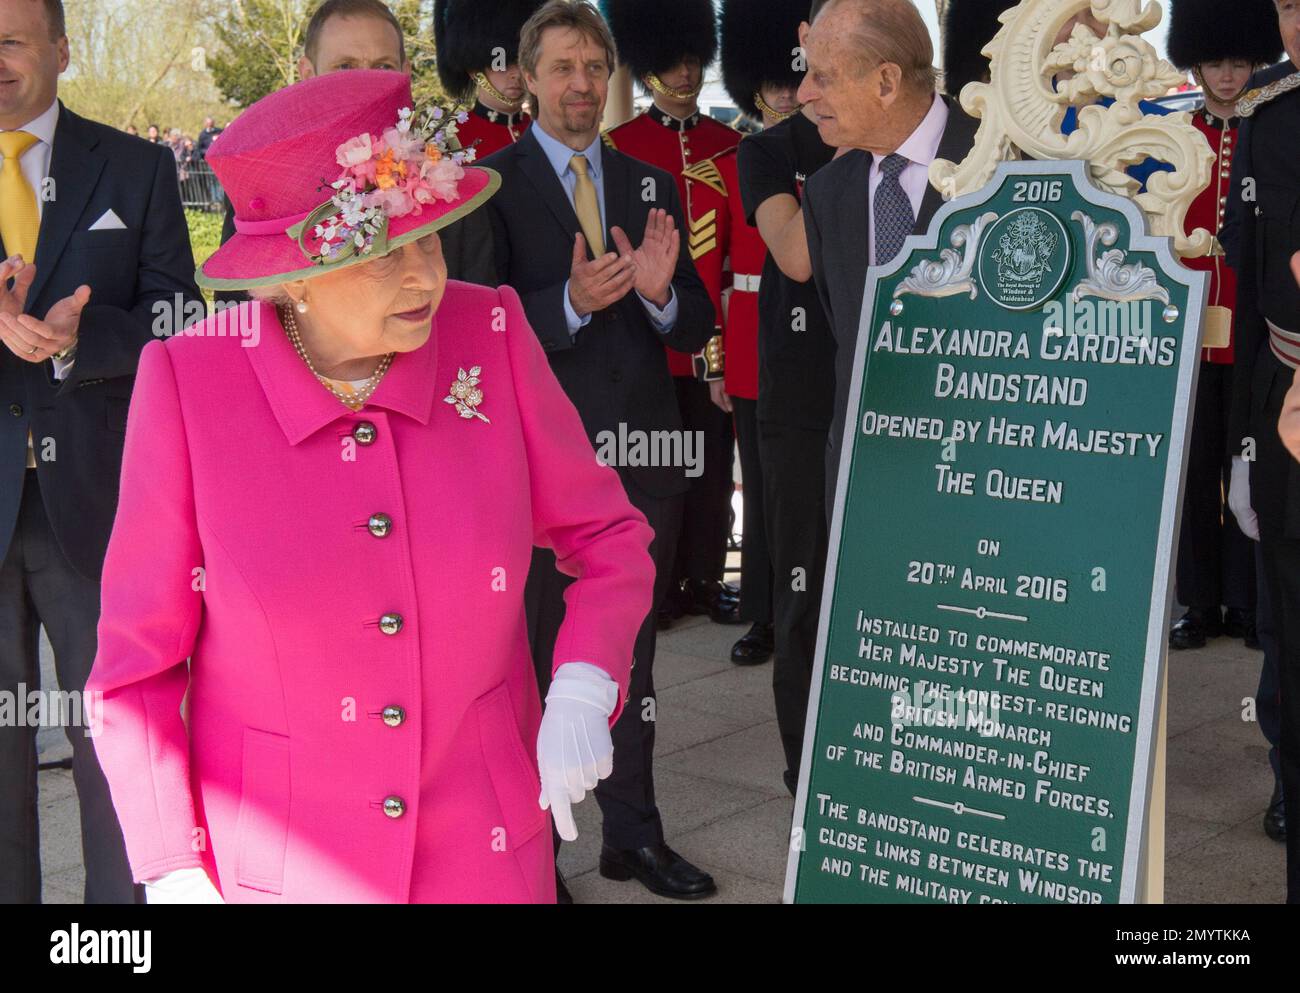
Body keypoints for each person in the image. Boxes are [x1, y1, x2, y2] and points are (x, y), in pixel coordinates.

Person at [86, 67, 656, 905]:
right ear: (292, 279)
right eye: (383, 257)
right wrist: (171, 860)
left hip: (487, 848)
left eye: (428, 238)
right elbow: (135, 669)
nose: (425, 277)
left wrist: (584, 676)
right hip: (282, 862)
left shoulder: (489, 334)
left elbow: (608, 540)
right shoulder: (189, 383)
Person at [481, 0, 717, 900]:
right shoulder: (491, 184)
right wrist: (570, 304)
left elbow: (692, 319)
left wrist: (659, 297)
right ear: (531, 77)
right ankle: (534, 856)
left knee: (630, 664)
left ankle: (633, 836)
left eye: (593, 68)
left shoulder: (652, 178)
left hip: (639, 460)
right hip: (533, 470)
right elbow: (477, 323)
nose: (580, 85)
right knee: (535, 665)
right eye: (563, 67)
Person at [0, 0, 203, 903]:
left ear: (60, 50)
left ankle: (115, 937)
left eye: (9, 38)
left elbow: (179, 315)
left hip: (97, 507)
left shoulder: (138, 167)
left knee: (116, 743)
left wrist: (85, 338)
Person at [799, 0, 980, 510]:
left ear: (885, 82)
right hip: (867, 487)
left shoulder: (1005, 163)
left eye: (822, 77)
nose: (803, 94)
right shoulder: (826, 193)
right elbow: (849, 333)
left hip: (982, 487)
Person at [604, 0, 745, 629]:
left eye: (693, 61)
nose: (686, 74)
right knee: (658, 463)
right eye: (673, 62)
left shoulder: (733, 147)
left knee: (712, 470)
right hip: (648, 339)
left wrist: (721, 346)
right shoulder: (620, 147)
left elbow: (737, 261)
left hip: (708, 339)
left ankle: (707, 576)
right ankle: (656, 583)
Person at [216, 0, 497, 312]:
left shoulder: (444, 172)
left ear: (405, 74)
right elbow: (240, 312)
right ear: (308, 73)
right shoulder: (267, 180)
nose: (365, 82)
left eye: (383, 67)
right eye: (345, 67)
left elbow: (476, 305)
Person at [1166, 0, 1279, 654]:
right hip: (1189, 322)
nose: (1229, 75)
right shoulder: (1177, 134)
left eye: (1238, 61)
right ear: (1198, 62)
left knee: (1247, 463)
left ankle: (1245, 598)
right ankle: (1198, 600)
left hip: (1252, 324)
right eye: (1217, 61)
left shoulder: (1269, 130)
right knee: (1194, 467)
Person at [1222, 0, 1300, 902]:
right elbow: (1248, 302)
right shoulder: (1268, 119)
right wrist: (1244, 437)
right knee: (1285, 608)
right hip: (1287, 397)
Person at [434, 0, 541, 158]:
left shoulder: (544, 132)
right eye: (501, 63)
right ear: (475, 70)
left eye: (521, 63)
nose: (516, 74)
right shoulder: (450, 139)